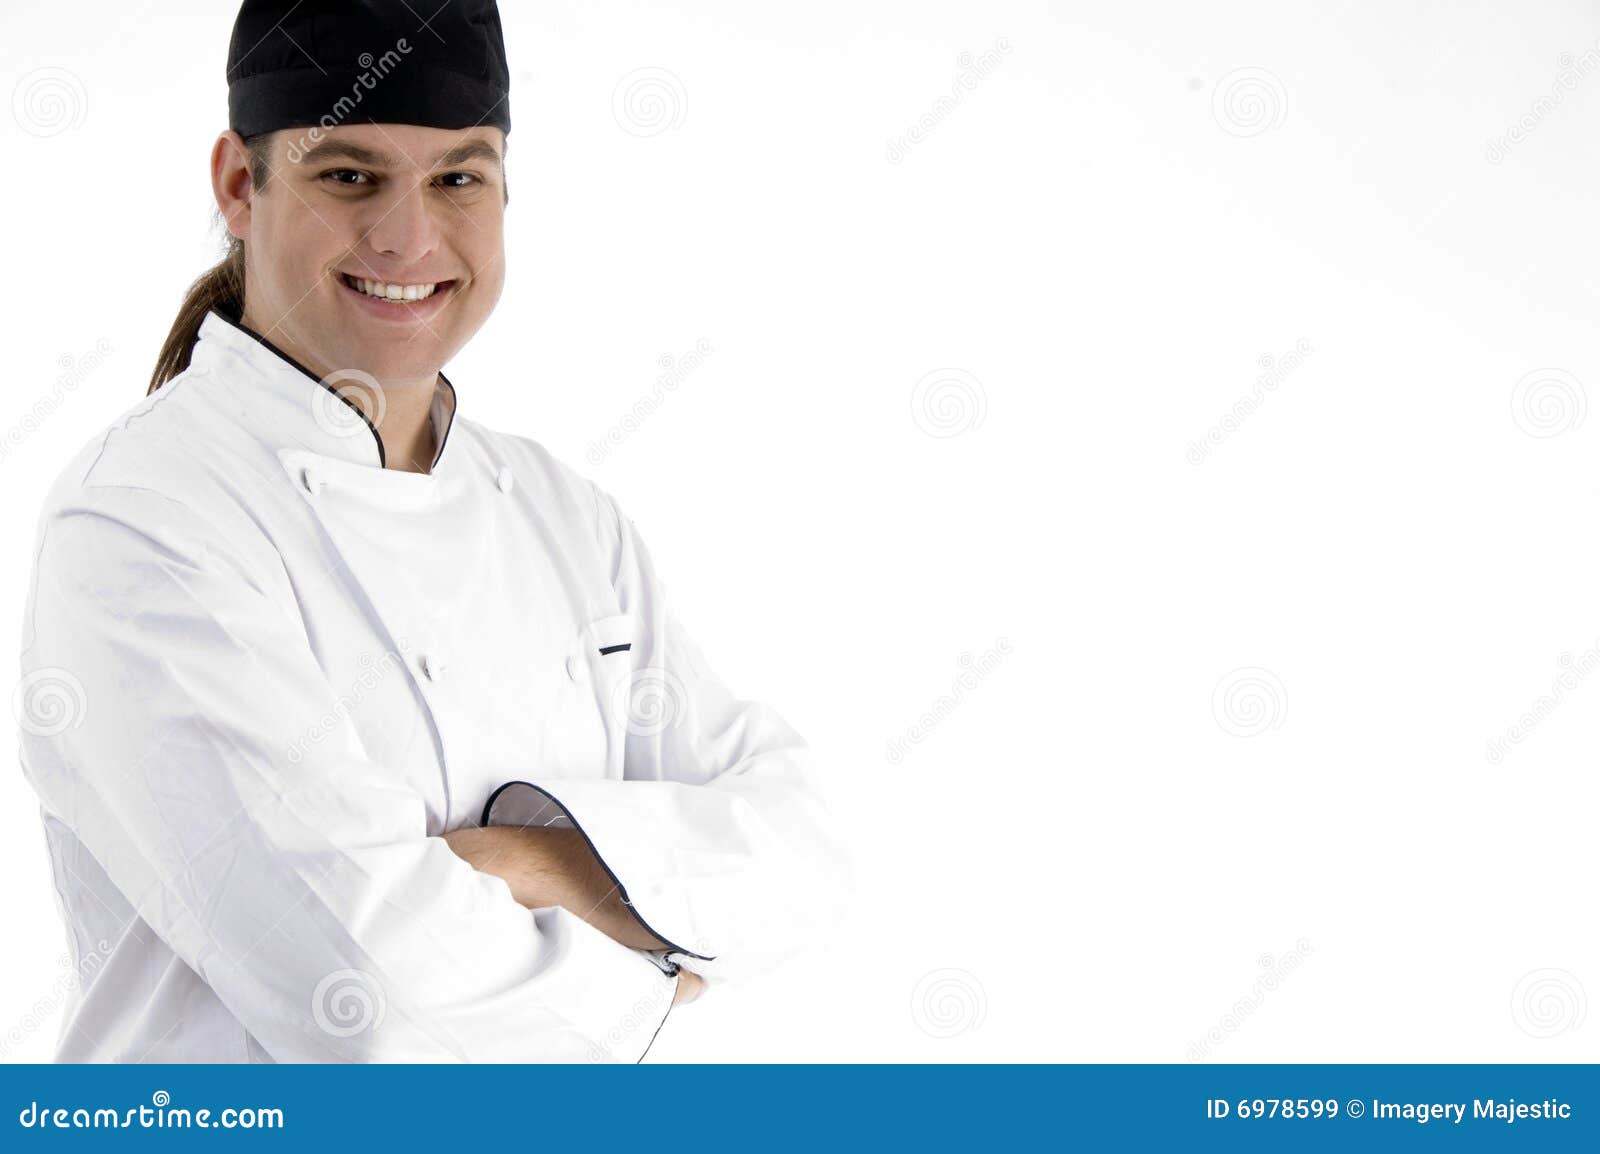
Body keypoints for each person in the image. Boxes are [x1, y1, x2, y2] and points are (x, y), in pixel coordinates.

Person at [15, 0, 849, 1063]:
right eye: (349, 175)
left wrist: (538, 863)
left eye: (458, 176)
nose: (407, 238)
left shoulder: (562, 513)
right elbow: (372, 998)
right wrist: (663, 944)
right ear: (239, 184)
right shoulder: (142, 519)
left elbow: (806, 848)